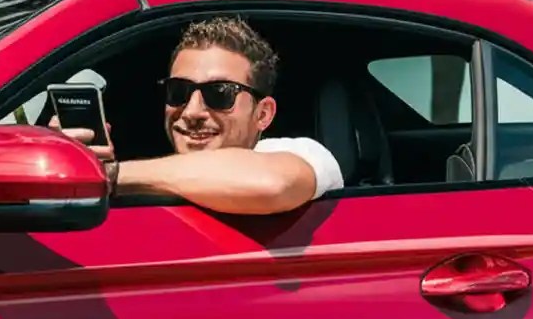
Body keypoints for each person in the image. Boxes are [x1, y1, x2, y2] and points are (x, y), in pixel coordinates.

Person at [54, 16, 344, 215]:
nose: (192, 111)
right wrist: (62, 164)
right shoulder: (152, 172)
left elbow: (272, 184)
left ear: (263, 114)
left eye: (220, 93)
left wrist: (106, 175)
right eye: (178, 91)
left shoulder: (300, 153)